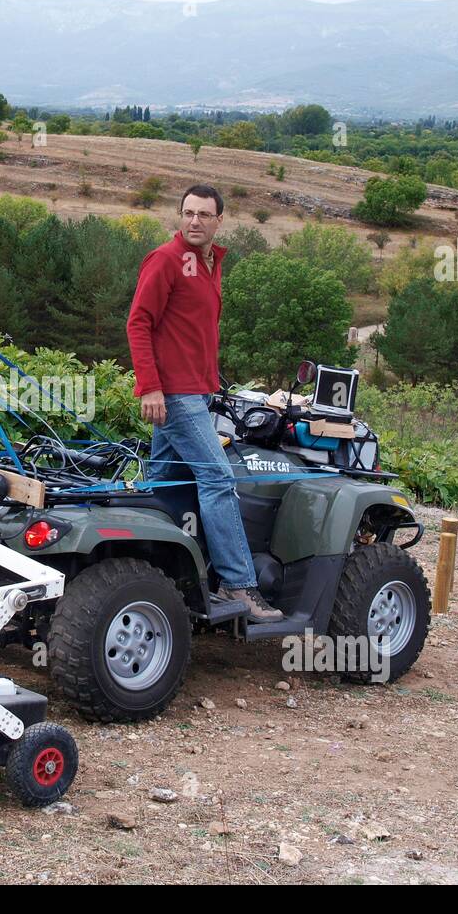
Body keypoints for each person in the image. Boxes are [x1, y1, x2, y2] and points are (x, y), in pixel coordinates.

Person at [125, 184, 283, 622]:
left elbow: (193, 331)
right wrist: (150, 387)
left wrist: (213, 384)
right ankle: (239, 585)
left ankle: (152, 573)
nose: (194, 221)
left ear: (218, 221)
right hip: (174, 396)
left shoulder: (211, 264)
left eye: (204, 214)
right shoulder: (165, 260)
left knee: (165, 485)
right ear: (180, 216)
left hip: (197, 391)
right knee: (217, 479)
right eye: (188, 213)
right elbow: (138, 323)